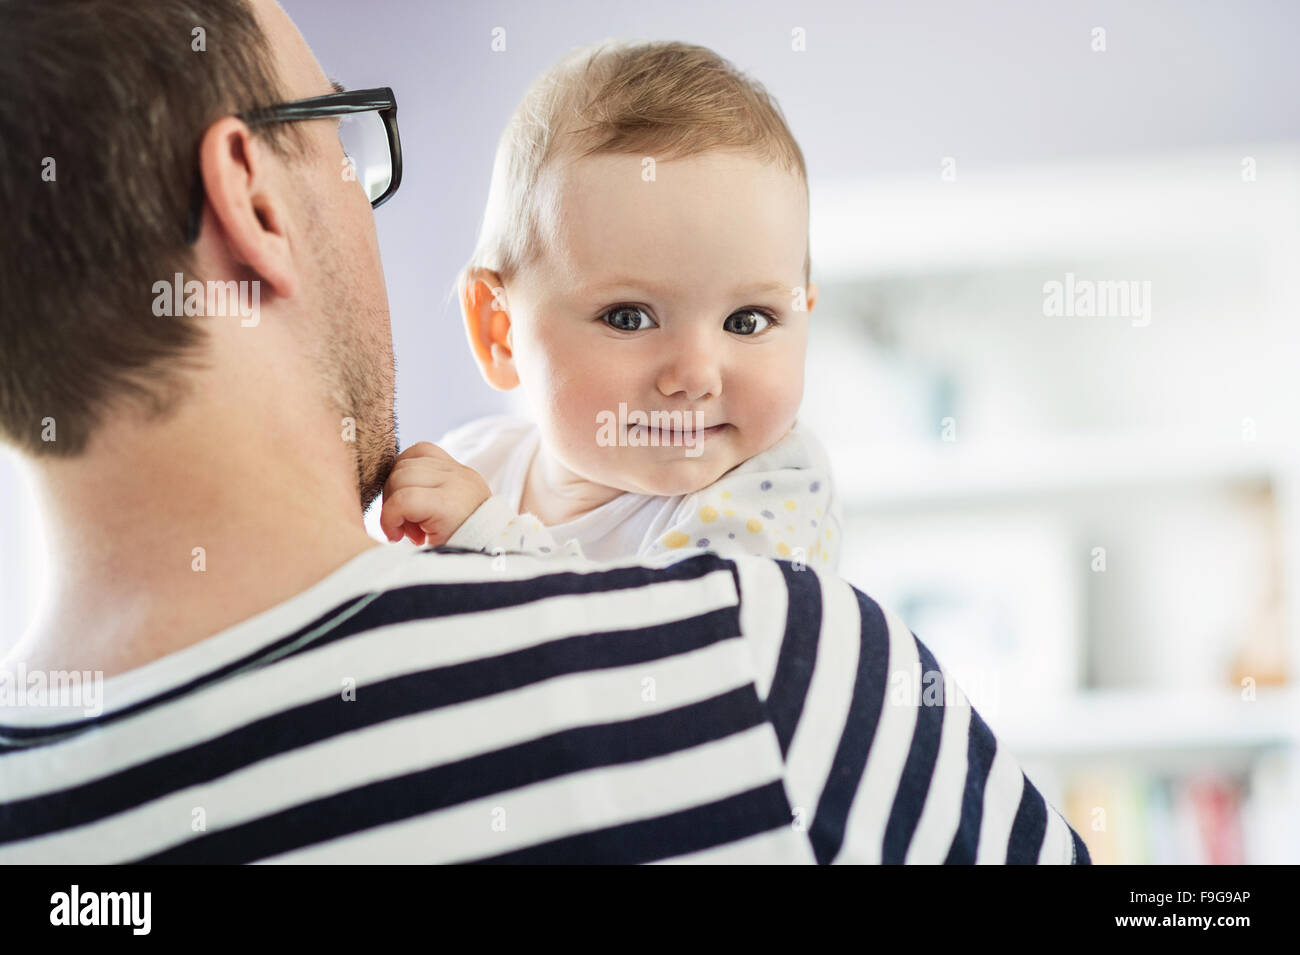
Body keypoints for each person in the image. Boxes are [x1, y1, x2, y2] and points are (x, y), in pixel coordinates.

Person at [0, 0, 1089, 864]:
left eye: (750, 317)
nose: (694, 370)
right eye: (334, 129)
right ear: (253, 194)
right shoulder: (763, 672)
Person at [377, 41, 843, 569]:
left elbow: (673, 639)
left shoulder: (777, 488)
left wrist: (489, 538)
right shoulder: (473, 464)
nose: (695, 375)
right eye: (629, 318)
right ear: (501, 331)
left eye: (746, 321)